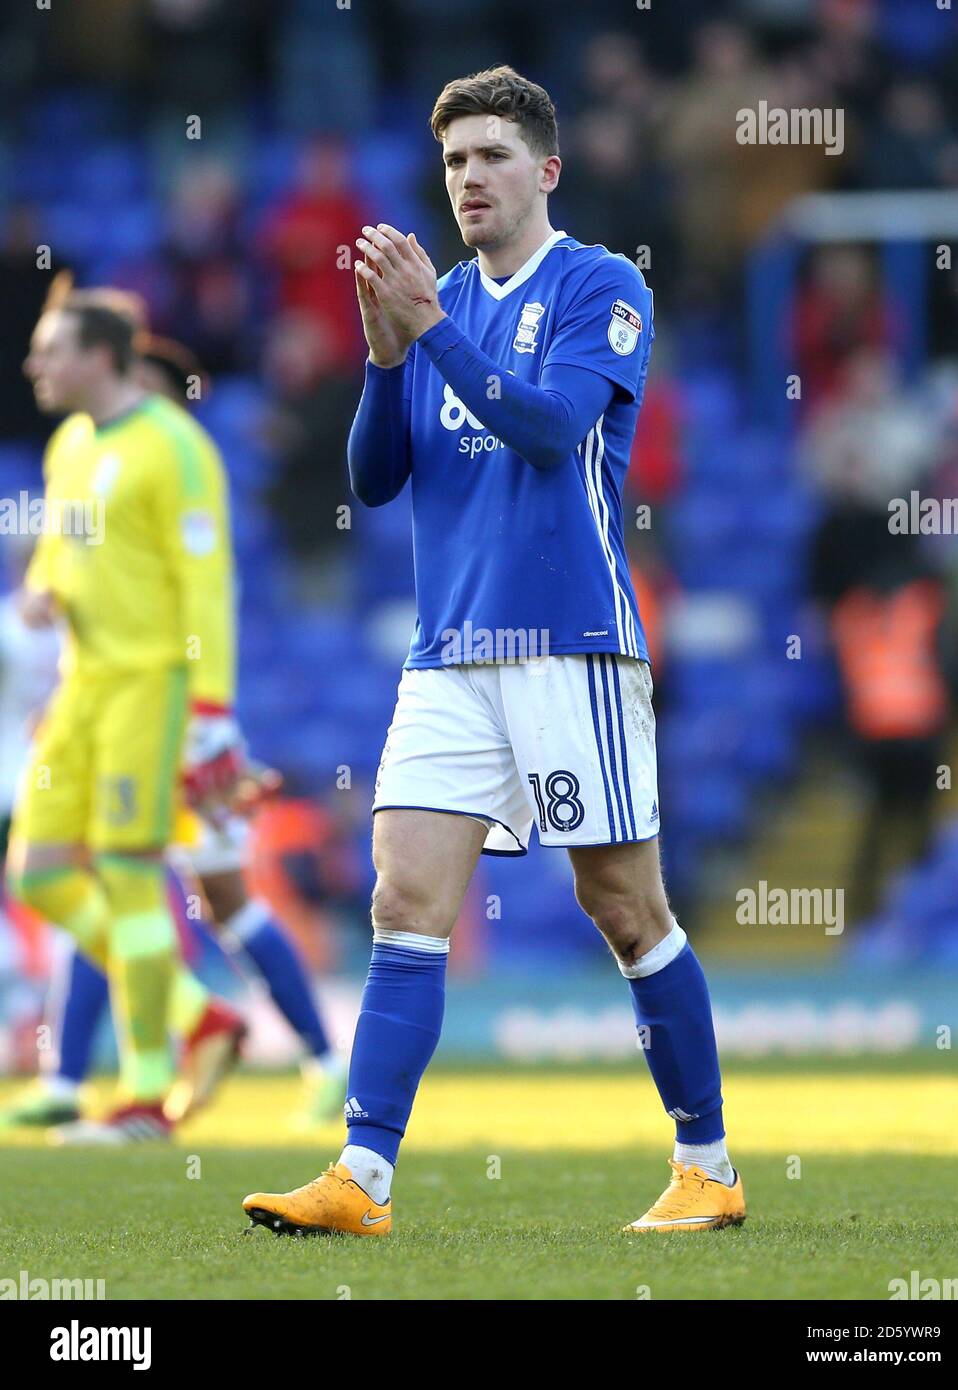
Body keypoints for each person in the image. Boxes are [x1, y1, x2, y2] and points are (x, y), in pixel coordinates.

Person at [243, 65, 744, 1236]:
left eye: (492, 157)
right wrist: (383, 359)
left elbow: (549, 426)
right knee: (400, 898)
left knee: (621, 904)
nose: (468, 177)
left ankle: (706, 1160)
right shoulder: (439, 303)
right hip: (448, 649)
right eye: (455, 160)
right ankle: (361, 1178)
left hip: (568, 643)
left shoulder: (599, 285)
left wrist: (428, 334)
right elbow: (373, 480)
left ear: (545, 170)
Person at [6, 283, 243, 1142]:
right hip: (82, 687)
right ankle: (196, 1013)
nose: (34, 364)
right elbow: (64, 551)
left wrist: (209, 708)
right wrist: (41, 591)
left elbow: (205, 585)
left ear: (100, 358)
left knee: (131, 877)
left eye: (51, 349)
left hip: (152, 684)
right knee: (38, 873)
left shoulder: (175, 448)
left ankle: (146, 1095)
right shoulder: (70, 444)